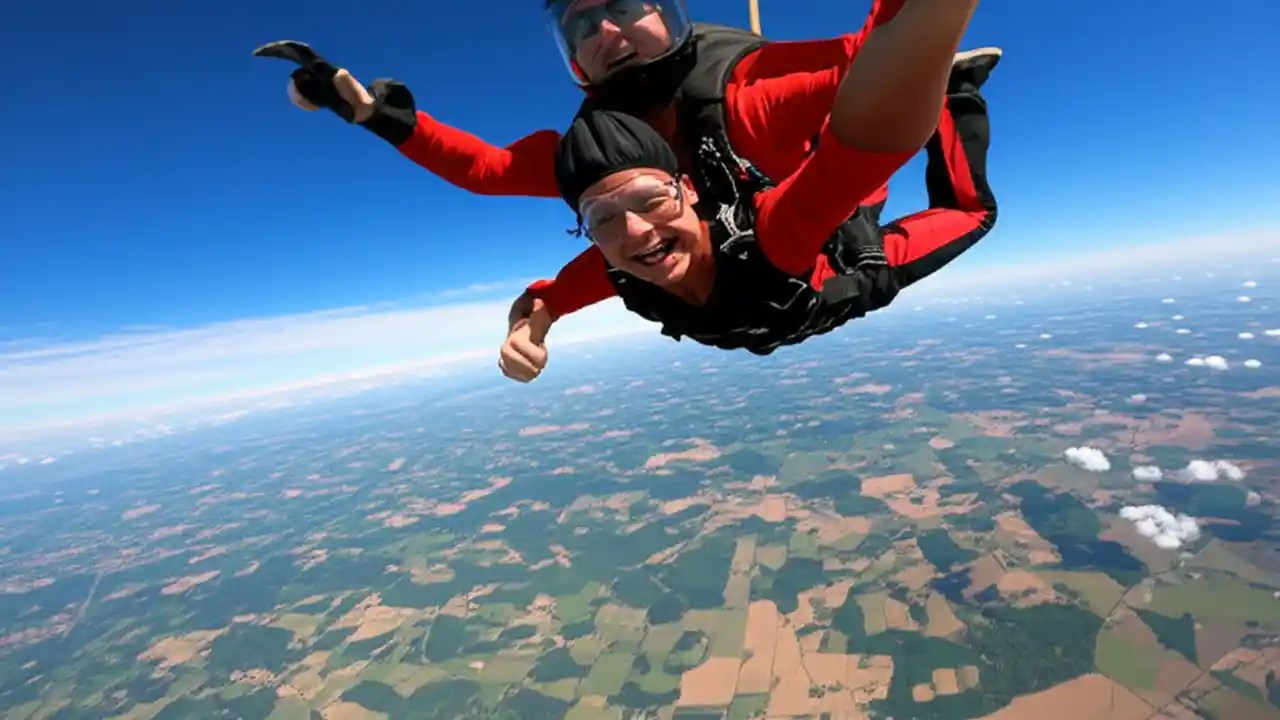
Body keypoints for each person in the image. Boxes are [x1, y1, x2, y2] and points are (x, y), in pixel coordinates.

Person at [496, 40, 999, 381]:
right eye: (601, 218)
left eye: (649, 200)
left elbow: (867, 149)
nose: (634, 229)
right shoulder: (623, 259)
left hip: (853, 268)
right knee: (847, 181)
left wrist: (923, 53)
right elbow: (555, 296)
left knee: (962, 210)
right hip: (809, 273)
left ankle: (956, 95)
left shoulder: (770, 240)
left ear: (686, 190)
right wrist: (530, 327)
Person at [260, 0, 907, 199]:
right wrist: (377, 118)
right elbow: (488, 172)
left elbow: (877, 52)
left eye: (624, 5)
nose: (602, 31)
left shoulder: (750, 86)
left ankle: (956, 100)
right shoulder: (598, 147)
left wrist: (923, 51)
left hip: (817, 233)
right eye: (577, 26)